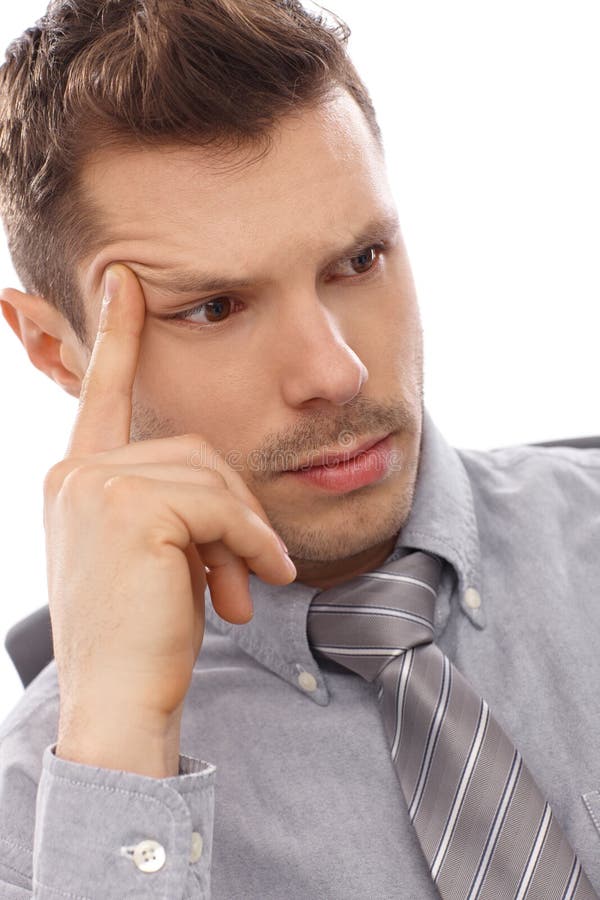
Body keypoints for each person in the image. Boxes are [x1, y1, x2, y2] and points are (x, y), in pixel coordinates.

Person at [0, 1, 598, 898]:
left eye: (358, 261)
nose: (334, 371)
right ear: (56, 350)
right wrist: (119, 753)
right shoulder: (34, 831)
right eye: (214, 308)